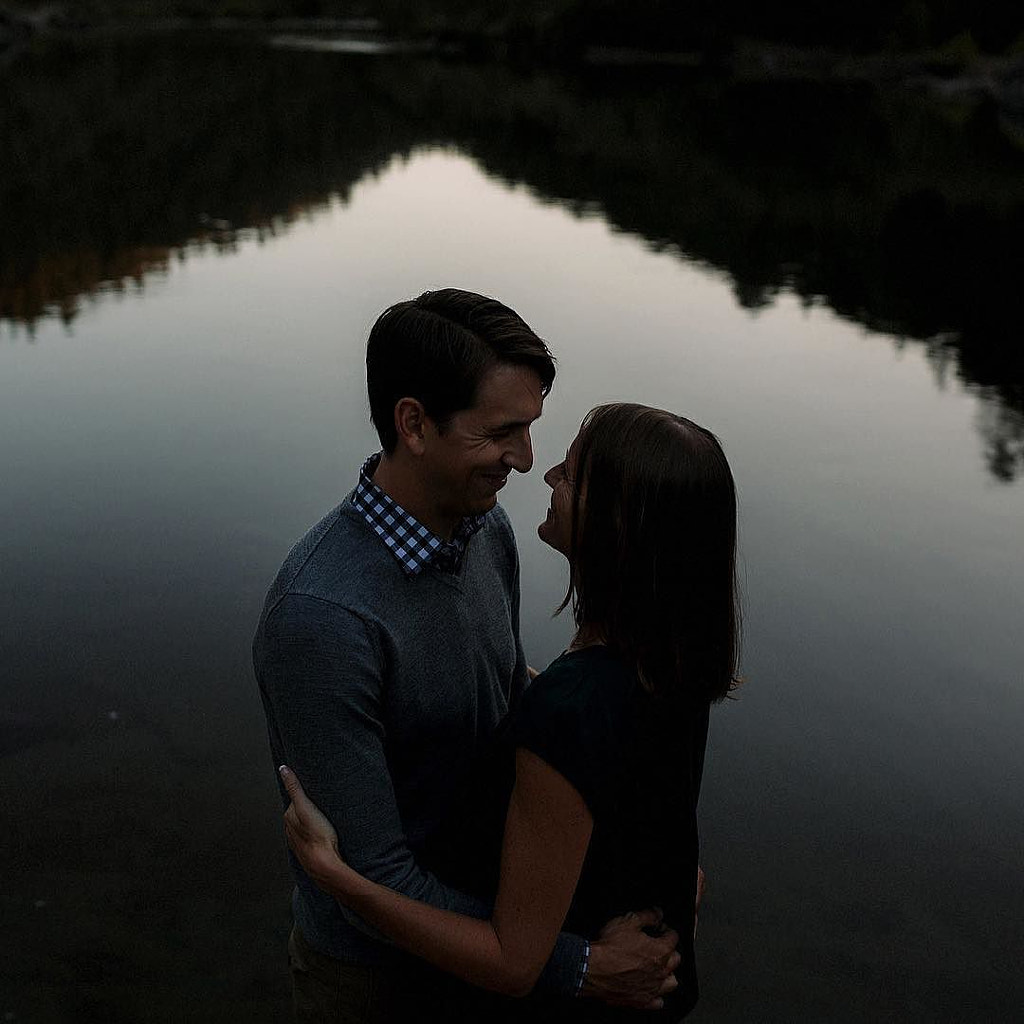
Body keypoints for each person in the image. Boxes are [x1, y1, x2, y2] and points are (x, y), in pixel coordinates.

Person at [253, 291, 684, 1022]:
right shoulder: (322, 620)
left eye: (531, 429)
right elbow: (369, 880)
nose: (525, 461)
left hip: (490, 949)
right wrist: (577, 962)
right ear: (413, 424)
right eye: (502, 433)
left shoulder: (486, 533)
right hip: (378, 983)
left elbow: (509, 695)